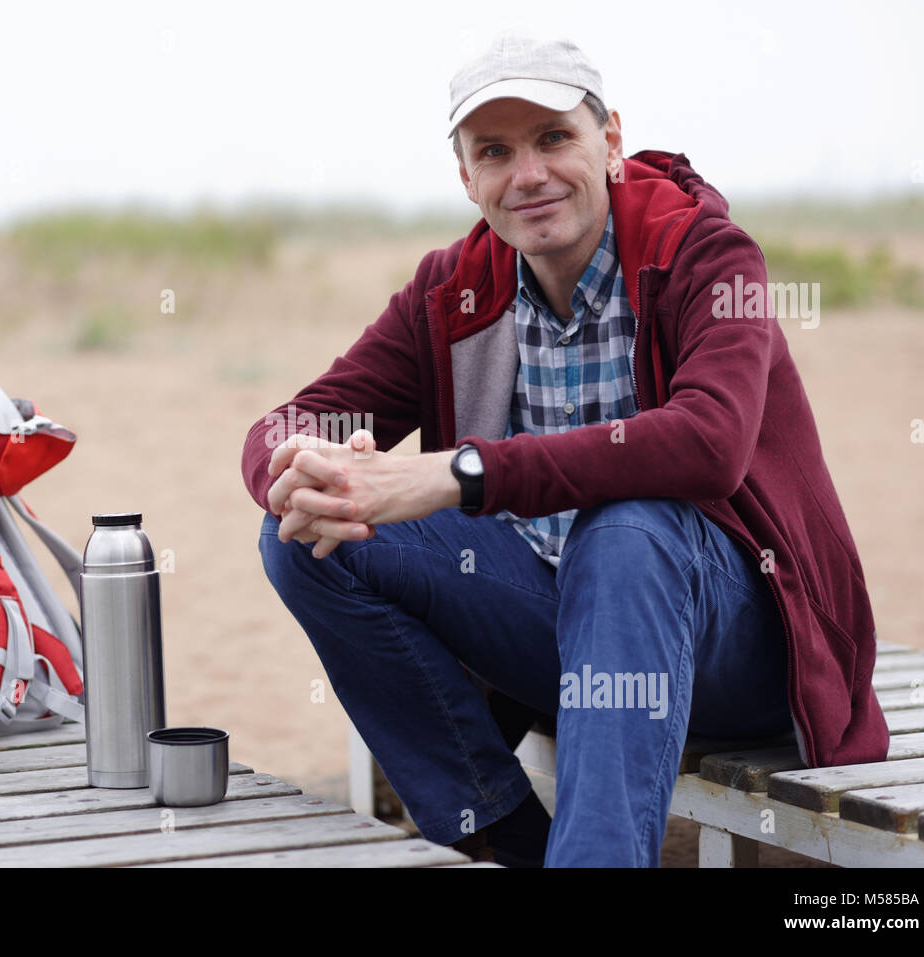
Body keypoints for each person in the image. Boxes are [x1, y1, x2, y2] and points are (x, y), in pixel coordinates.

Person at [240, 33, 888, 867]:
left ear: (610, 141)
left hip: (740, 650)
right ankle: (505, 837)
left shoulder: (707, 256)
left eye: (554, 139)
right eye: (496, 153)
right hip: (565, 633)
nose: (529, 174)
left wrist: (460, 473)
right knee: (304, 532)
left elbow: (709, 443)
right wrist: (298, 471)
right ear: (467, 178)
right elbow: (291, 421)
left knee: (627, 527)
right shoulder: (453, 289)